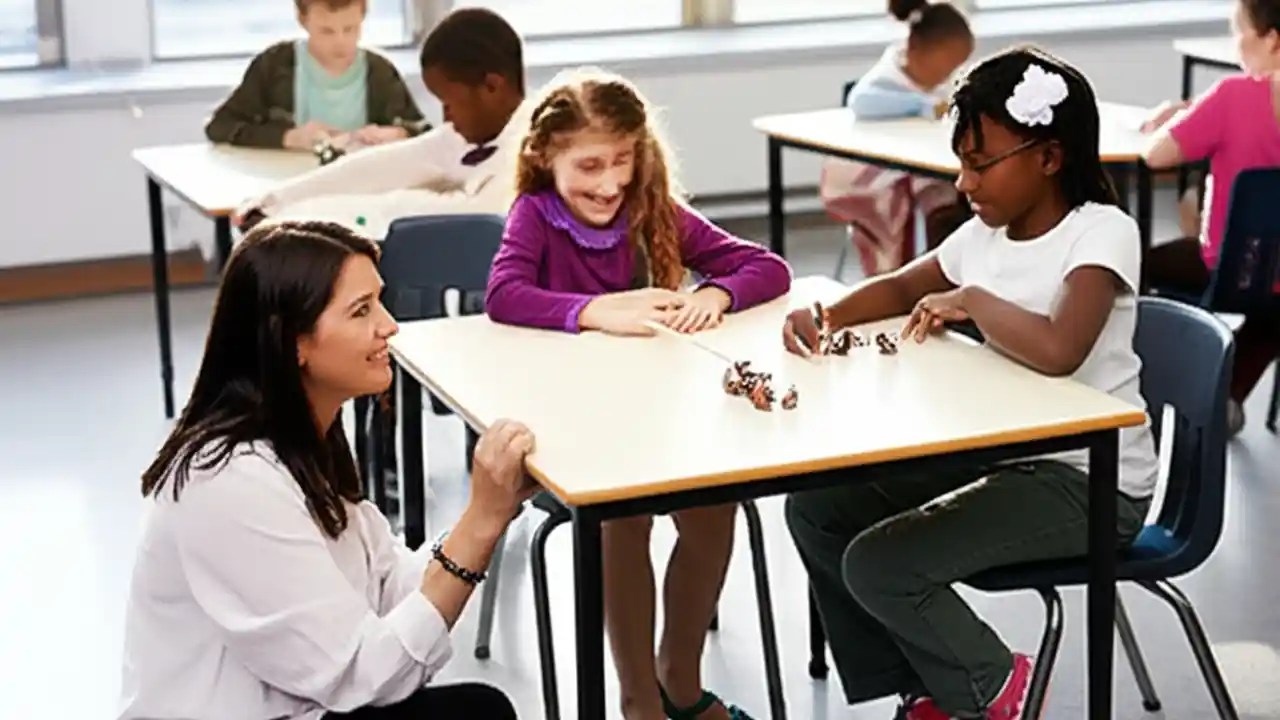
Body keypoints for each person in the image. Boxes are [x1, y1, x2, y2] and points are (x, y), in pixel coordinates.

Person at [785, 47, 1158, 720]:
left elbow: (1061, 349)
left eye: (980, 163)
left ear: (1049, 157)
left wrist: (975, 302)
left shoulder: (1101, 233)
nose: (963, 182)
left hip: (1089, 481)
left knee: (879, 566)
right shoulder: (984, 235)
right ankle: (928, 691)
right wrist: (828, 313)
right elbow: (904, 285)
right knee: (818, 508)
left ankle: (992, 687)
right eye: (960, 162)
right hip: (1008, 457)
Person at [117, 220, 532, 720]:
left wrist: (493, 507)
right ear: (294, 342)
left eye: (380, 300)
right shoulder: (229, 480)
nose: (389, 325)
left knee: (479, 709)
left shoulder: (306, 439)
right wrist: (480, 522)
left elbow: (391, 586)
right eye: (362, 311)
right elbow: (363, 676)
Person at [485, 68, 792, 720]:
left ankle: (679, 679)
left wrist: (715, 291)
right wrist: (599, 310)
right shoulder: (535, 216)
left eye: (622, 160)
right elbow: (505, 296)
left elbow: (767, 266)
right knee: (624, 520)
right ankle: (636, 699)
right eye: (590, 164)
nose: (609, 182)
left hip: (661, 413)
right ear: (546, 156)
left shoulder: (650, 207)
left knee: (715, 513)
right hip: (578, 420)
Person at [236, 7, 528, 238]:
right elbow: (385, 166)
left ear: (492, 87)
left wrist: (301, 217)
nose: (446, 118)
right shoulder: (468, 136)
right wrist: (277, 201)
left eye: (449, 104)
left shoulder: (534, 154)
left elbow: (462, 214)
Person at [1140, 0, 1280, 434]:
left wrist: (1180, 116)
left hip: (1227, 268)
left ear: (1271, 39)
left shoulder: (1234, 96)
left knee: (1135, 264)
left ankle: (1163, 384)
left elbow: (1156, 155)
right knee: (1273, 303)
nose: (1235, 43)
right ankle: (1230, 390)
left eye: (1239, 30)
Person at [820, 0, 974, 279]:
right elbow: (861, 101)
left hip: (925, 170)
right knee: (909, 202)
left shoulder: (939, 84)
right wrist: (922, 104)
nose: (948, 75)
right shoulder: (890, 76)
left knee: (954, 199)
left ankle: (950, 266)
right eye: (945, 65)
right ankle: (904, 275)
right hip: (876, 174)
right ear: (916, 50)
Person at [205, 0, 426, 151]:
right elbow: (220, 127)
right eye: (326, 31)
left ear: (363, 16)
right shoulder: (274, 66)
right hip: (287, 188)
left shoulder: (380, 72)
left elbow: (424, 133)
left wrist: (397, 135)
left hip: (359, 190)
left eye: (350, 29)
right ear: (303, 20)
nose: (341, 41)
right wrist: (289, 138)